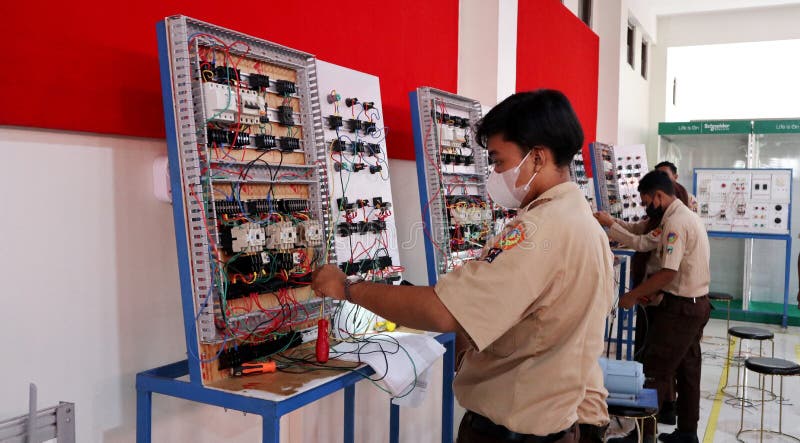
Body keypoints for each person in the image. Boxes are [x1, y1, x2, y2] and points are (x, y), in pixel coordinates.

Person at [313, 90, 615, 443]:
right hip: (557, 425)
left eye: (499, 161)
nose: (495, 174)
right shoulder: (585, 223)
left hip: (513, 433)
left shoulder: (539, 229)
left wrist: (346, 288)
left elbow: (443, 312)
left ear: (537, 157)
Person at [618, 171, 710, 443]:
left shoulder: (675, 224)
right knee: (688, 370)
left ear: (658, 195)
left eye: (647, 201)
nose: (646, 207)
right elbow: (645, 239)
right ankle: (687, 433)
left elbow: (668, 272)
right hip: (698, 304)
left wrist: (633, 295)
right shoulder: (685, 216)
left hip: (680, 309)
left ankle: (642, 436)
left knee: (654, 369)